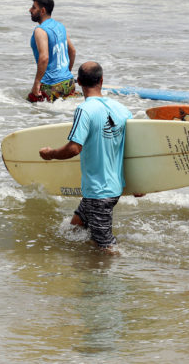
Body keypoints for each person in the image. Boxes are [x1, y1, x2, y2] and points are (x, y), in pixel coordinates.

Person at [39, 61, 133, 251]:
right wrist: (138, 184)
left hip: (99, 191)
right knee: (74, 227)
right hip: (111, 186)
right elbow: (131, 151)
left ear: (79, 82)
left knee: (105, 247)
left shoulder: (84, 110)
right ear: (102, 80)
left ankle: (120, 274)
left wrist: (51, 154)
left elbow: (74, 148)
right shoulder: (122, 110)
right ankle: (77, 262)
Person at [28, 0, 76, 102]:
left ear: (43, 10)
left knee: (30, 109)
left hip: (51, 85)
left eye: (34, 7)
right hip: (68, 82)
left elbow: (44, 58)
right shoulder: (60, 26)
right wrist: (65, 74)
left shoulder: (40, 30)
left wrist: (36, 83)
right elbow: (72, 51)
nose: (30, 10)